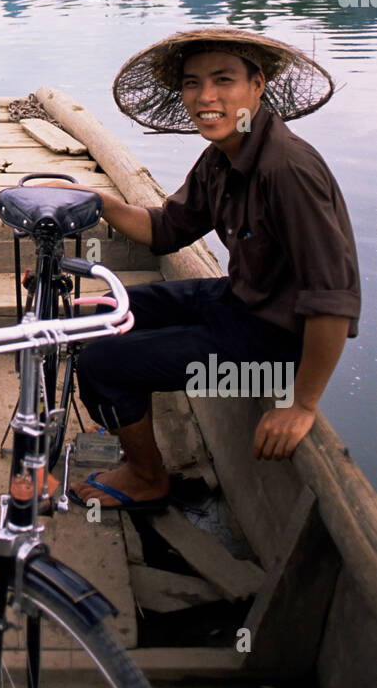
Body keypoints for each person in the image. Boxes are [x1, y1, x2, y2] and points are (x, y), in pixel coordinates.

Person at [67, 27, 360, 511]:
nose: (206, 97)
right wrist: (98, 203)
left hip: (271, 344)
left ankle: (146, 476)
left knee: (101, 365)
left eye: (223, 80)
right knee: (102, 308)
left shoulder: (287, 169)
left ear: (257, 85)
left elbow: (334, 300)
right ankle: (122, 418)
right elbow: (167, 230)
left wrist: (303, 404)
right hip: (237, 302)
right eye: (192, 83)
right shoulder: (222, 158)